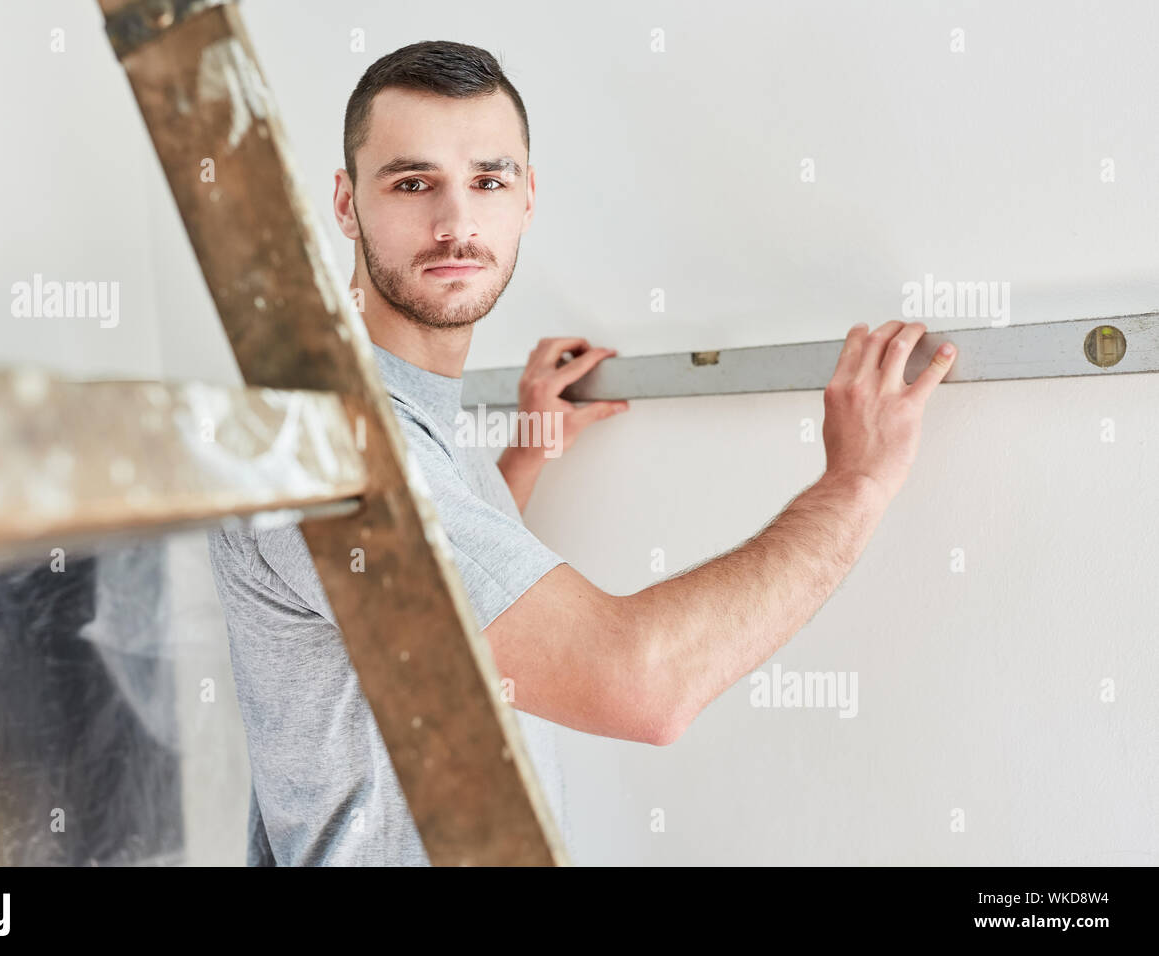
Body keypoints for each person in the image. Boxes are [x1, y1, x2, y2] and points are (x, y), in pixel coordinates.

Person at [207, 39, 957, 866]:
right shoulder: (328, 443)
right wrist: (854, 483)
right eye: (412, 182)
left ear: (527, 199)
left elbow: (432, 579)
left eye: (488, 181)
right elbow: (642, 686)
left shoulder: (412, 423)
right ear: (346, 206)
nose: (456, 223)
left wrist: (521, 457)